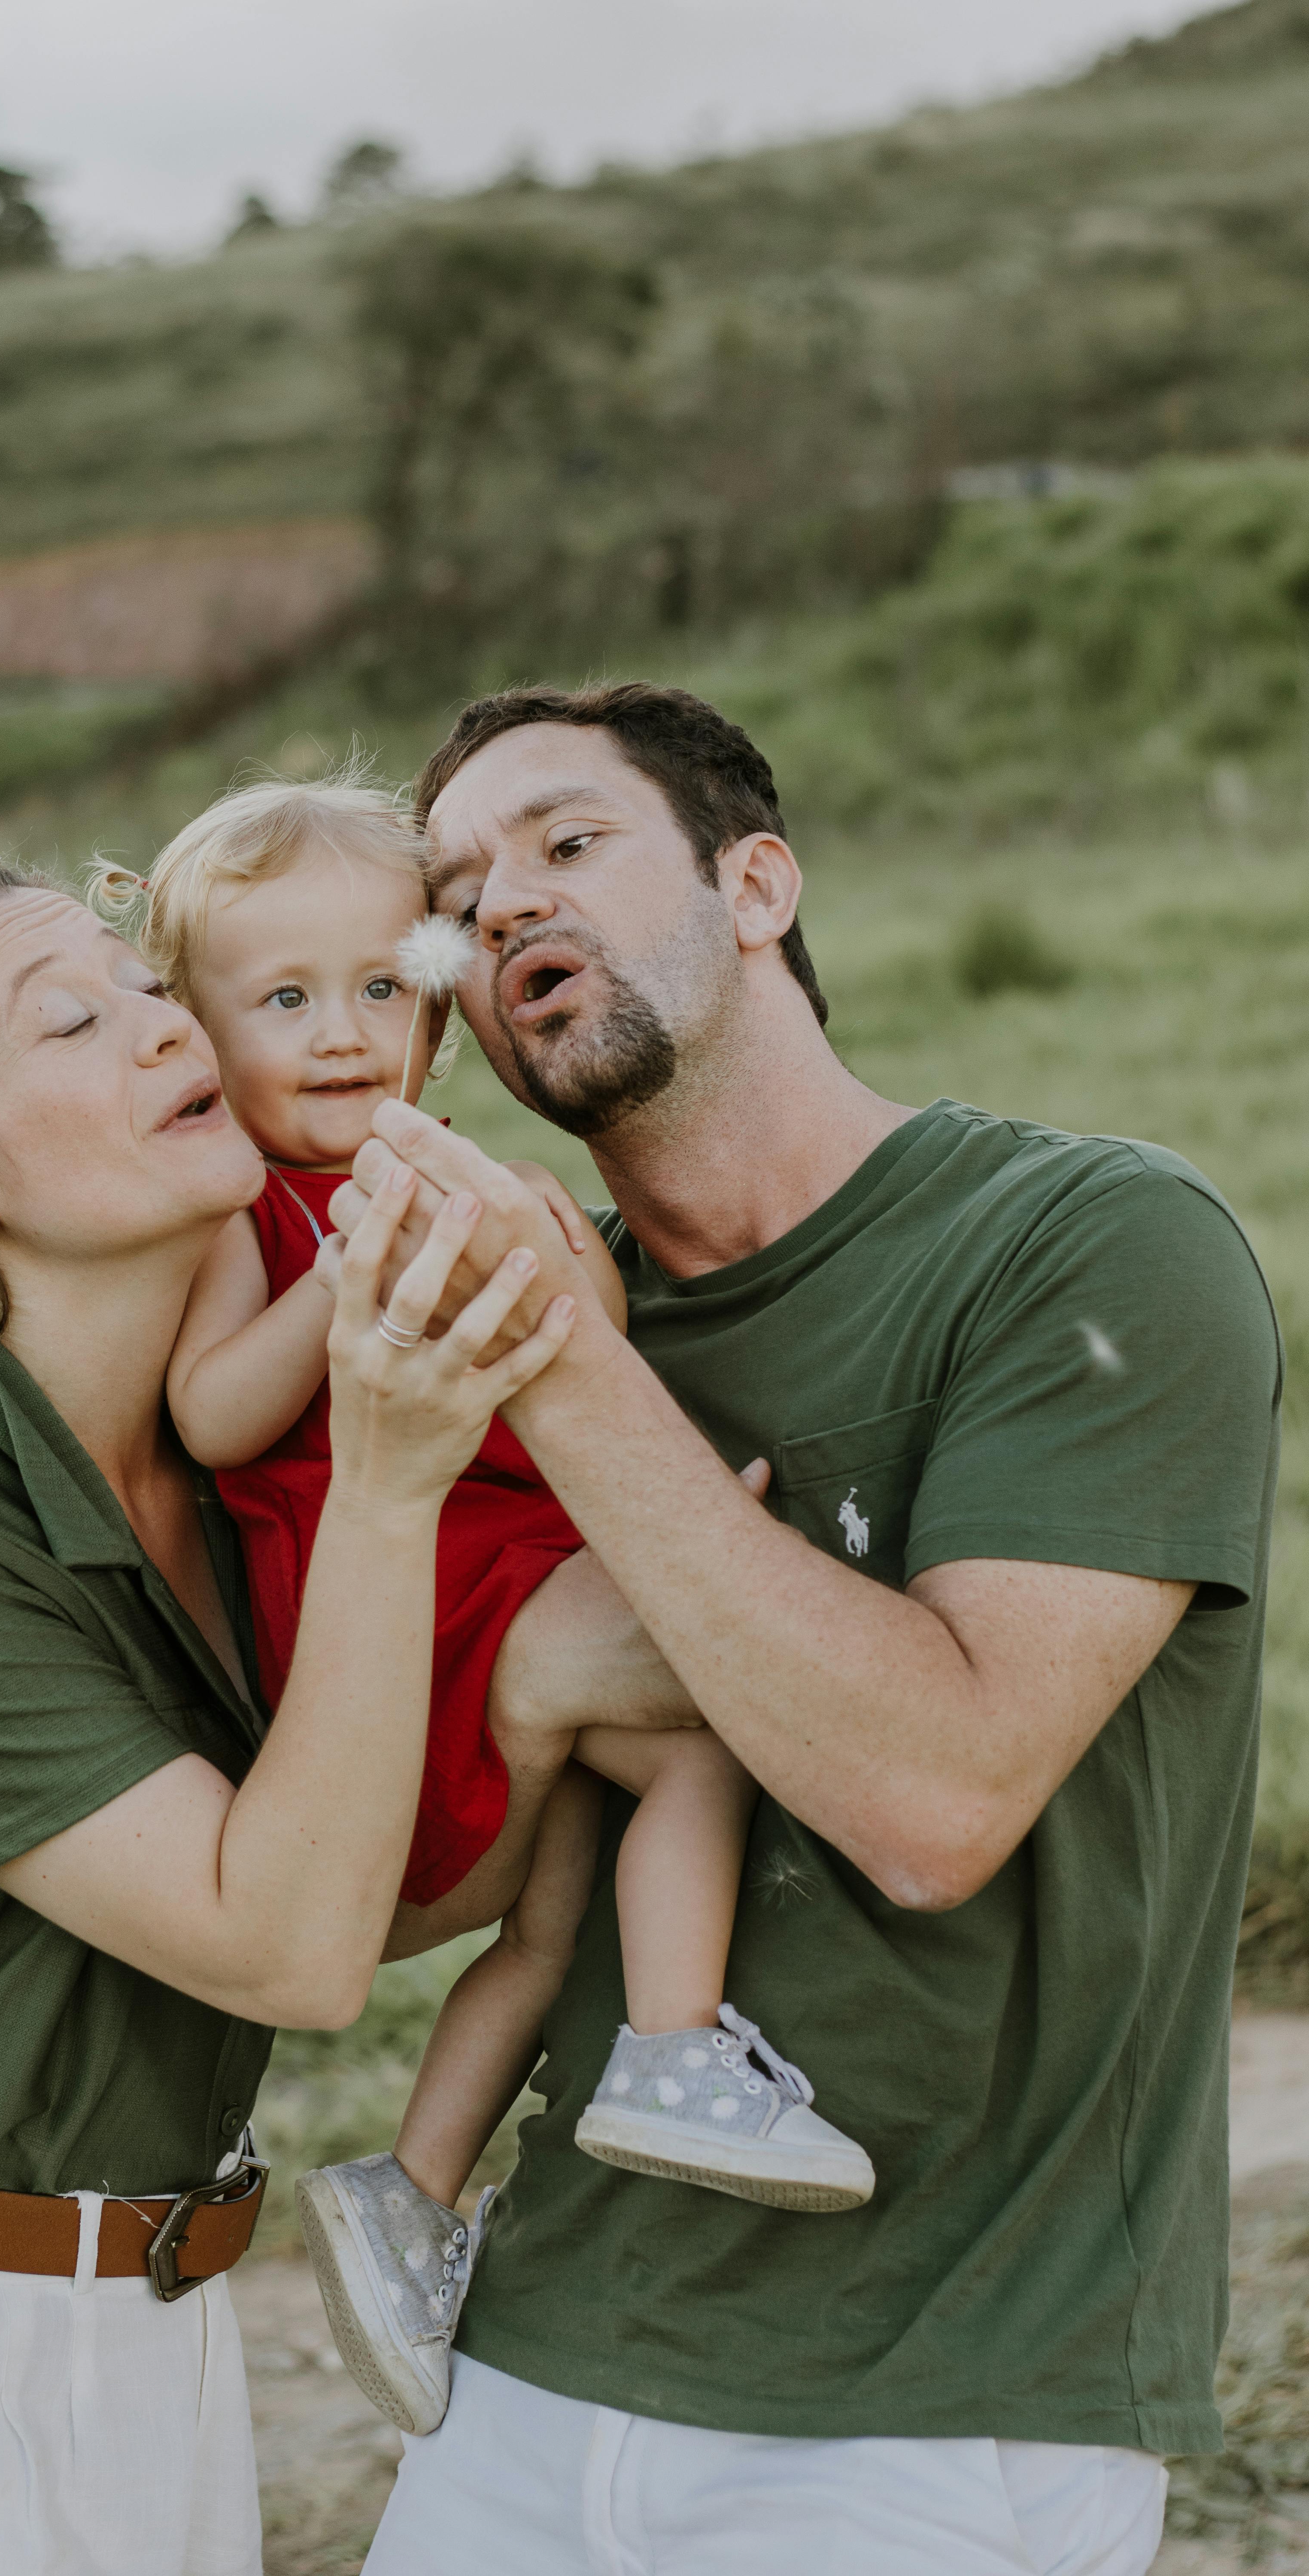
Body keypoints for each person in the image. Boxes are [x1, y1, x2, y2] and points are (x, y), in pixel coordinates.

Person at [328, 682, 1282, 2576]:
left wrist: (566, 1373)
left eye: (567, 845)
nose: (505, 901)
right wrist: (516, 1680)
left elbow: (934, 1803)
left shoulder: (1085, 1246)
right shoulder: (465, 1337)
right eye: (458, 890)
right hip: (527, 2364)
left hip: (935, 2409)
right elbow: (386, 1906)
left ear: (756, 885)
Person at [0, 855, 576, 2576]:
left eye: (143, 988)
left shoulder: (227, 1452)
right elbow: (292, 1951)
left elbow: (357, 1876)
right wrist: (391, 1483)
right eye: (71, 1020)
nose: (159, 1028)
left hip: (152, 2321)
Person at [102, 780, 871, 2429]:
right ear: (195, 1032)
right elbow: (217, 1416)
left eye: (384, 989)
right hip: (418, 1613)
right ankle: (674, 2049)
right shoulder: (250, 1214)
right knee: (702, 1731)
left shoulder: (455, 1168)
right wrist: (339, 1276)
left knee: (558, 1918)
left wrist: (554, 1264)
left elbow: (583, 1331)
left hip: (508, 1564)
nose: (341, 1034)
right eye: (286, 999)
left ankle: (413, 2190)